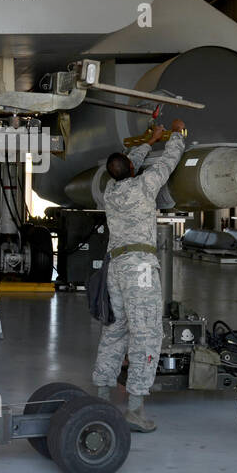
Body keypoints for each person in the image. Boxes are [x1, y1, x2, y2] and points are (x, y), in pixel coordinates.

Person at [92, 119, 187, 433]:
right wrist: (175, 136)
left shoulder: (111, 191)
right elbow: (169, 162)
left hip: (115, 267)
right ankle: (134, 409)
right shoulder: (144, 185)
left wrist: (151, 139)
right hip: (140, 267)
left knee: (115, 331)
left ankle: (102, 399)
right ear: (131, 170)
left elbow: (126, 165)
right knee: (146, 334)